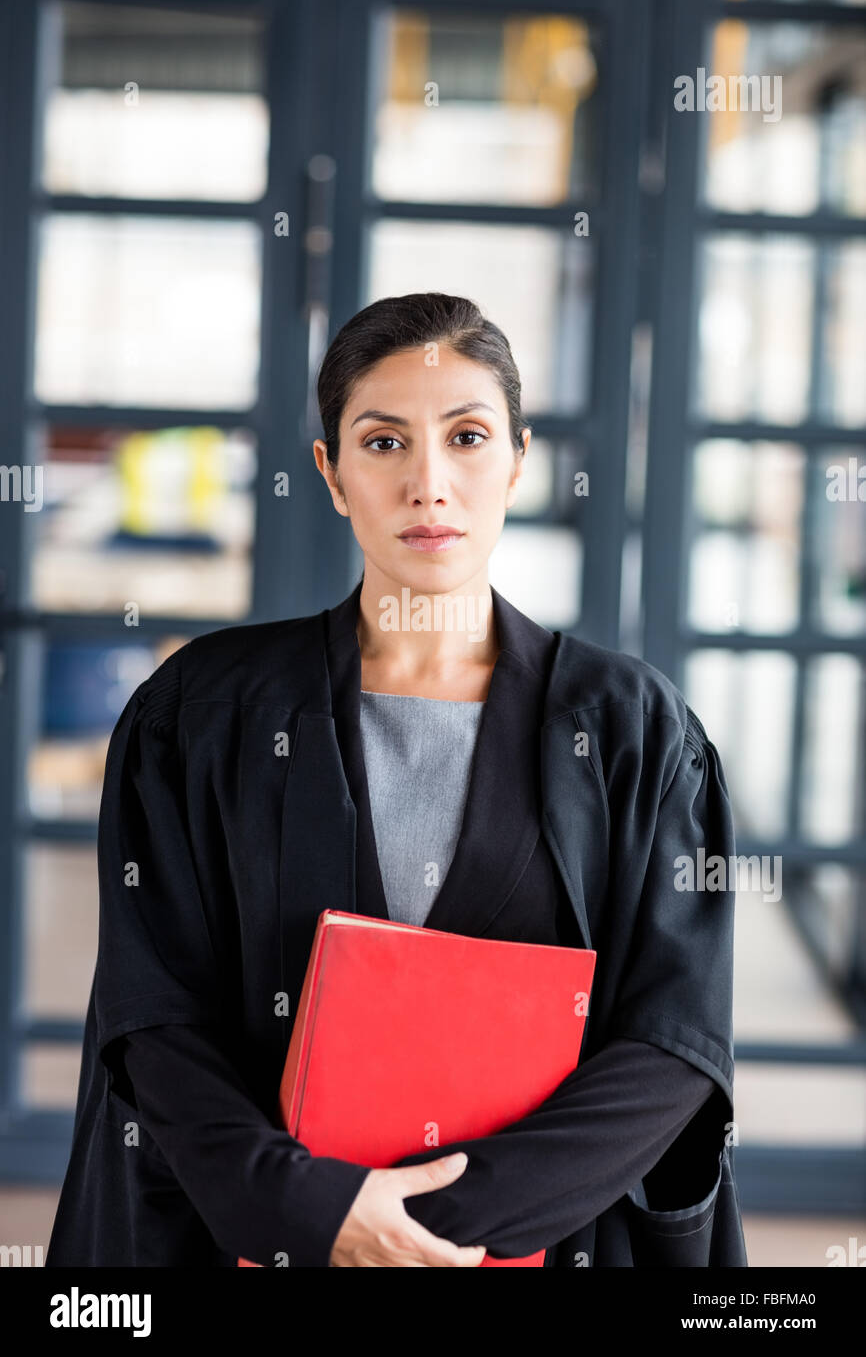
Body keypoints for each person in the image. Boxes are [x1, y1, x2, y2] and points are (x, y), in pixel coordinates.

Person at [46, 292, 748, 1268]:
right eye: (383, 444)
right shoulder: (199, 717)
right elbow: (153, 1012)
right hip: (262, 1240)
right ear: (330, 475)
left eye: (465, 437)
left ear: (516, 460)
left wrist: (428, 1226)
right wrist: (316, 1212)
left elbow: (672, 1037)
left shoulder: (630, 729)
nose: (428, 483)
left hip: (541, 1244)